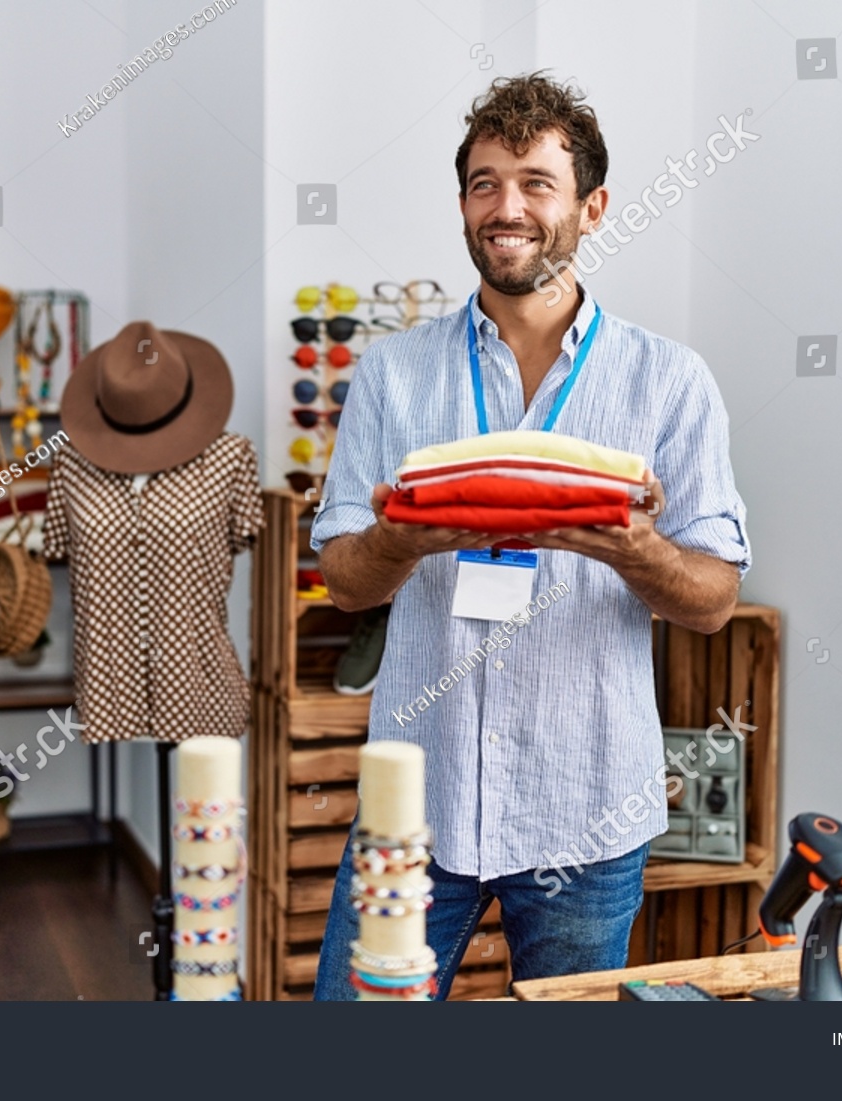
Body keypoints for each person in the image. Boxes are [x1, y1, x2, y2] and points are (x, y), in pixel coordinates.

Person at [310, 72, 751, 999]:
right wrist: (406, 536)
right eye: (485, 183)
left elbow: (714, 600)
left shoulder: (669, 380)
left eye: (536, 183)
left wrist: (633, 547)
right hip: (415, 803)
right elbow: (346, 581)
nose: (506, 208)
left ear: (592, 208)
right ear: (464, 204)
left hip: (586, 808)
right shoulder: (391, 375)